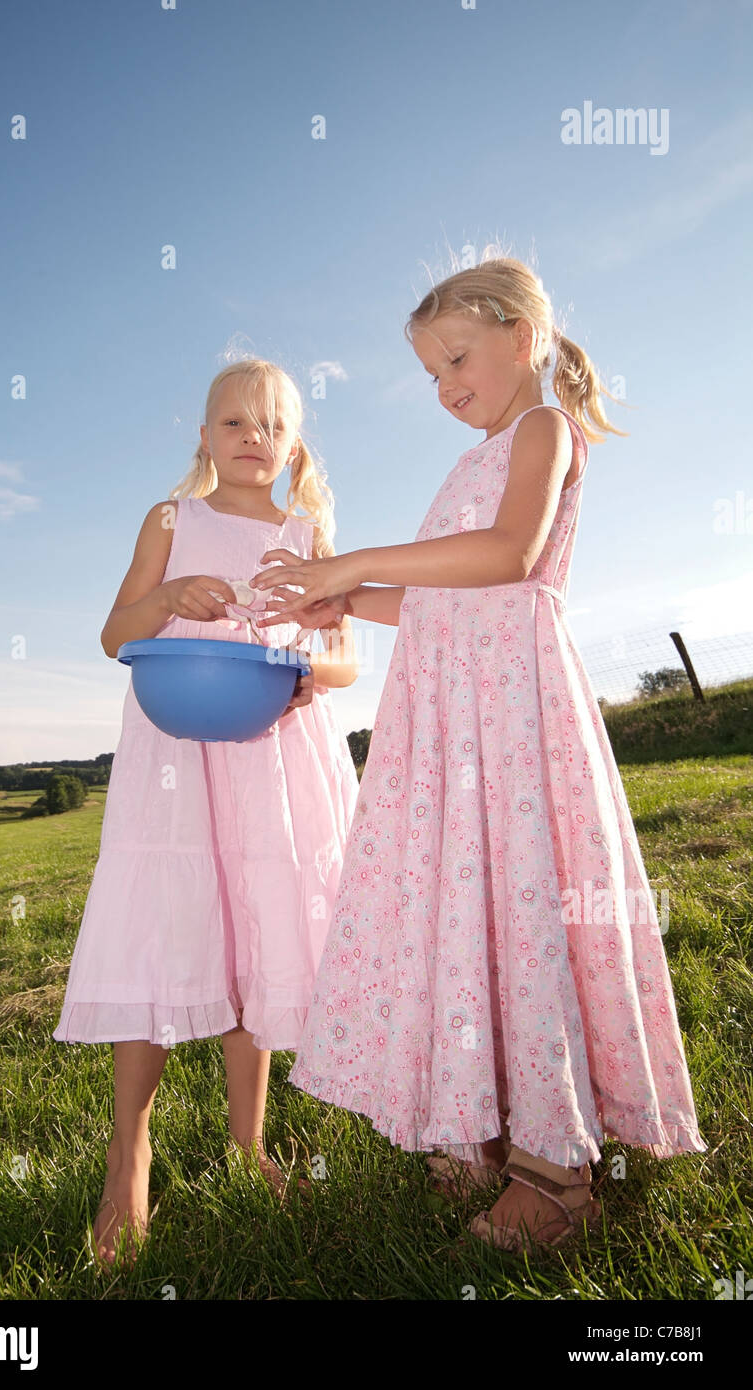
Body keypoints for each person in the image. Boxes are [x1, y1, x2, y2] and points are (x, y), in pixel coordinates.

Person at [249, 257, 707, 1253]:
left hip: (509, 709)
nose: (446, 385)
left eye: (456, 357)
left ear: (522, 336)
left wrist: (356, 558)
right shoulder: (468, 460)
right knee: (470, 903)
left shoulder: (541, 430)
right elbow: (435, 598)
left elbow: (507, 556)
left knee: (524, 900)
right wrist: (341, 600)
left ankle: (554, 1174)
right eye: (430, 374)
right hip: (447, 712)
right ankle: (484, 1118)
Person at [53, 358, 359, 1267]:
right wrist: (167, 602)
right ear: (203, 436)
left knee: (252, 934)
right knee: (164, 921)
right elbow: (116, 633)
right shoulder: (170, 519)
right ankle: (129, 1157)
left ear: (293, 446)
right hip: (176, 754)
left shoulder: (307, 532)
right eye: (234, 423)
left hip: (272, 753)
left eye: (270, 427)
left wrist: (305, 670)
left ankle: (247, 1143)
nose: (252, 439)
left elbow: (343, 655)